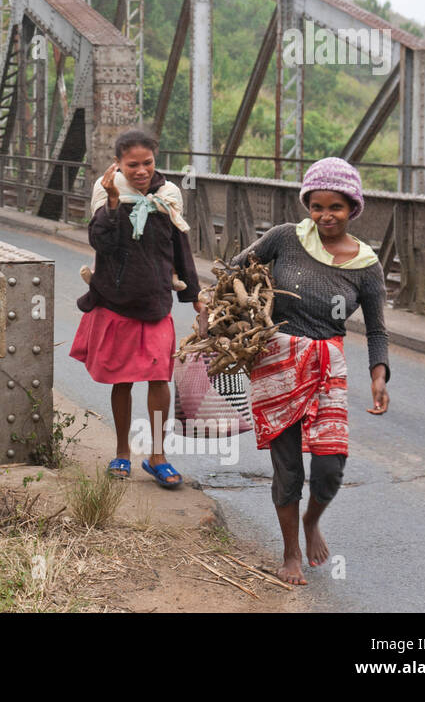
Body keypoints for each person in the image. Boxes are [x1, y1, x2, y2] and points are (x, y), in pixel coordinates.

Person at [227, 156, 390, 585]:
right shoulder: (285, 237)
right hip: (277, 361)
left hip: (327, 365)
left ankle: (312, 519)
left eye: (335, 207)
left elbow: (376, 328)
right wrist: (225, 307)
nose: (324, 216)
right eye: (316, 206)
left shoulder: (366, 266)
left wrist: (378, 375)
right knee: (287, 467)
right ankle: (290, 554)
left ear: (352, 207)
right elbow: (235, 269)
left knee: (330, 465)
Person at [70, 129, 204, 488]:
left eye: (147, 163)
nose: (141, 170)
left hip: (156, 301)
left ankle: (158, 456)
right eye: (132, 165)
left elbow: (180, 248)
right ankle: (122, 453)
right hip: (117, 302)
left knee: (160, 378)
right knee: (123, 380)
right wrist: (114, 201)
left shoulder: (168, 195)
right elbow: (102, 242)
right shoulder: (107, 191)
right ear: (118, 164)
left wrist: (194, 295)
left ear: (155, 161)